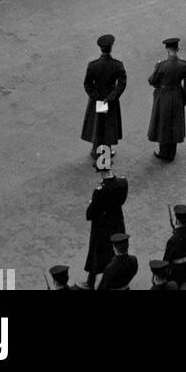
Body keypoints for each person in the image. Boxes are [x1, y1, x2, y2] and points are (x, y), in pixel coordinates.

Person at [81, 33, 127, 167]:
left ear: (100, 49)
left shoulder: (93, 65)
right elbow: (122, 83)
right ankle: (105, 155)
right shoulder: (117, 65)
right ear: (111, 48)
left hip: (97, 99)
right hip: (110, 101)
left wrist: (97, 97)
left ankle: (96, 150)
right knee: (108, 127)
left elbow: (87, 84)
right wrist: (111, 97)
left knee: (97, 125)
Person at [148, 36, 186, 162]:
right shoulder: (185, 65)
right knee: (175, 124)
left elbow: (152, 80)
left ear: (167, 49)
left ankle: (164, 152)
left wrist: (155, 68)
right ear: (177, 49)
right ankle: (172, 151)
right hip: (177, 95)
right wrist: (184, 99)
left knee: (163, 123)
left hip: (164, 96)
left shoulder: (162, 66)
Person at [84, 166, 129, 289]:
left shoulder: (100, 190)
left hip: (102, 226)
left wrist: (91, 203)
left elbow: (90, 214)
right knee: (118, 249)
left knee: (97, 254)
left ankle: (91, 282)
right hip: (117, 222)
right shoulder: (122, 182)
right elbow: (122, 200)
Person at [163, 205, 186, 286]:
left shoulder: (172, 240)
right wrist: (178, 232)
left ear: (177, 220)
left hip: (177, 271)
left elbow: (165, 261)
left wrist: (177, 234)